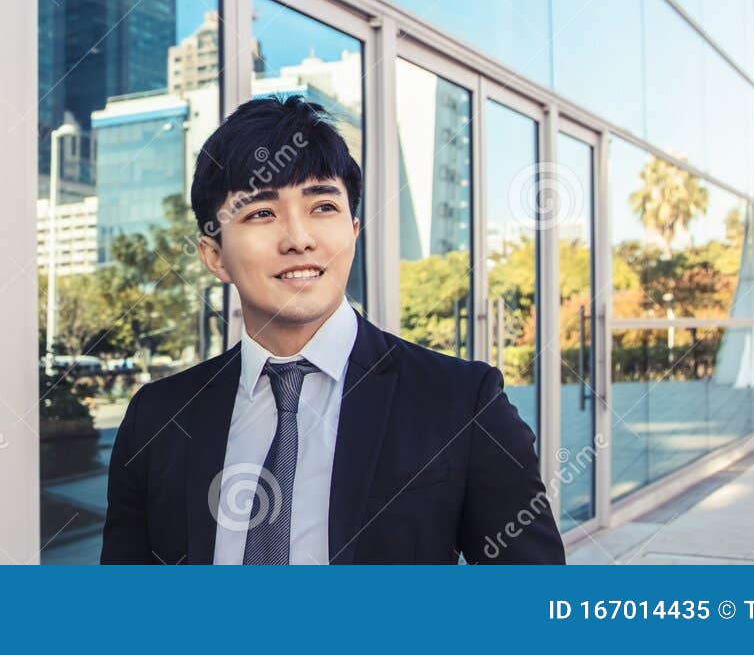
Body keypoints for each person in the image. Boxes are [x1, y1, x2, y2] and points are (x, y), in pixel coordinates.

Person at [99, 94, 565, 564]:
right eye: (262, 212)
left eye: (322, 206)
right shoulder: (157, 420)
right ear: (214, 255)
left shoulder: (460, 401)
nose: (300, 238)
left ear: (354, 231)